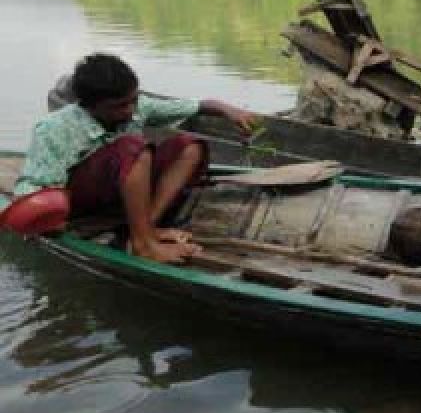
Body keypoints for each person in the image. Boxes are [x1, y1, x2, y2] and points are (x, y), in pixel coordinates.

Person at [10, 54, 257, 263]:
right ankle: (144, 245)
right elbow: (30, 188)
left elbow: (194, 106)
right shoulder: (55, 128)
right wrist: (47, 220)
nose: (130, 110)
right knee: (132, 147)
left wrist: (229, 110)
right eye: (119, 106)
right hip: (81, 201)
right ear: (89, 106)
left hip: (125, 193)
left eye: (133, 101)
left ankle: (146, 228)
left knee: (189, 146)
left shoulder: (137, 108)